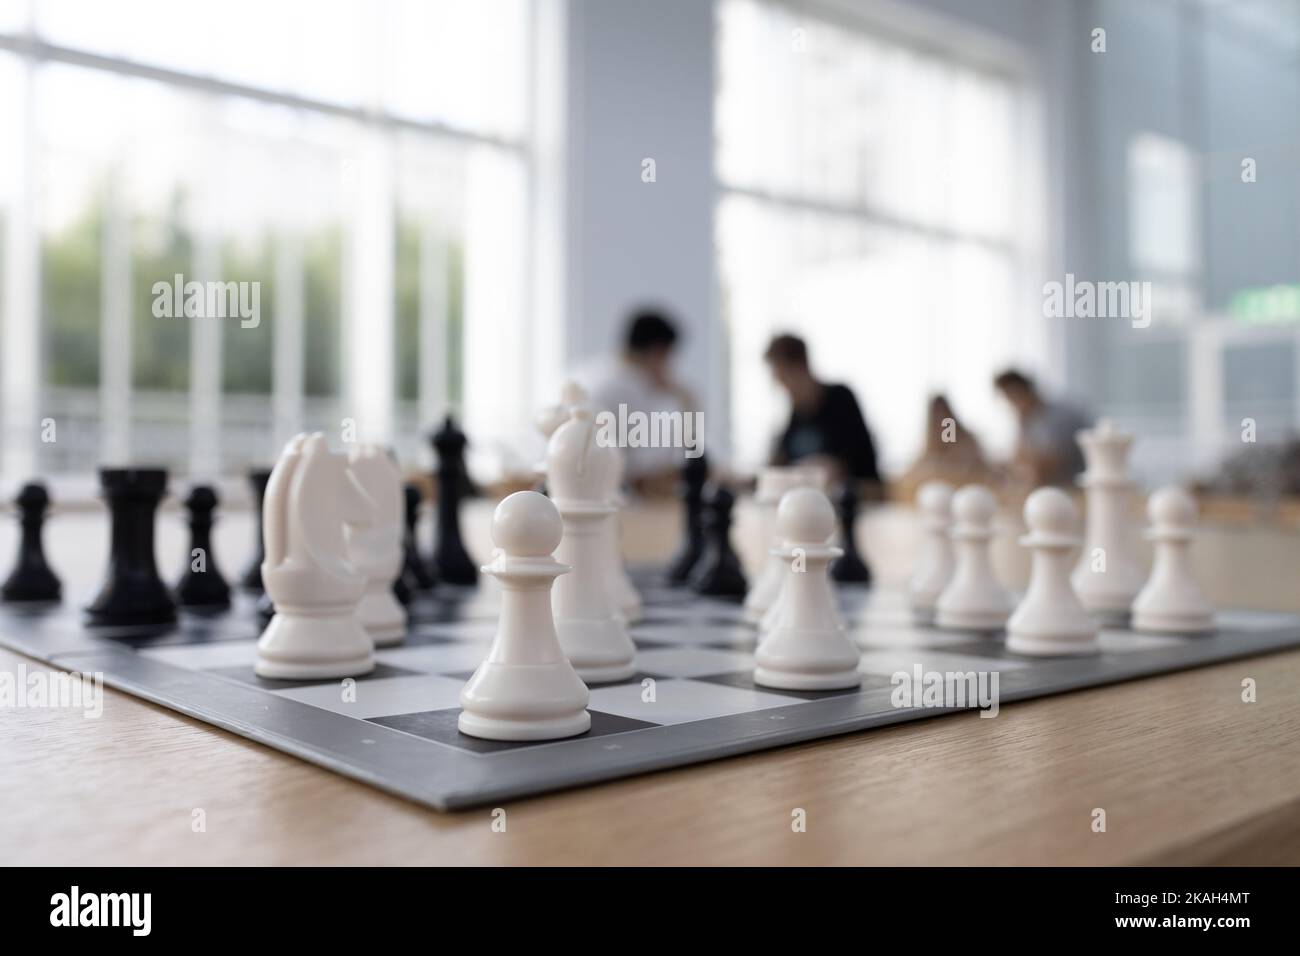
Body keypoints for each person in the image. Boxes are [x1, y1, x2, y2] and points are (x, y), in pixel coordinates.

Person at [583, 308, 697, 493]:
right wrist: (687, 401)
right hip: (597, 491)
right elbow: (644, 469)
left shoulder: (597, 372)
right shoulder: (628, 385)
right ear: (657, 352)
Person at [764, 333, 882, 489]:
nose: (781, 387)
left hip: (856, 500)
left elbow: (864, 464)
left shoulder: (841, 398)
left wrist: (833, 467)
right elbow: (779, 465)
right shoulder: (795, 415)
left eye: (782, 377)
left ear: (800, 367)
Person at [993, 369, 1091, 487]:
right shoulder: (1028, 420)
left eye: (1011, 396)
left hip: (1076, 488)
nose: (1010, 404)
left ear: (1023, 391)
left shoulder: (1060, 416)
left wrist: (1017, 464)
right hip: (1054, 489)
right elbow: (1019, 460)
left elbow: (1045, 467)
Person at [895, 394, 991, 501]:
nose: (940, 417)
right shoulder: (929, 447)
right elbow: (910, 477)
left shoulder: (965, 444)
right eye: (937, 413)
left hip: (972, 498)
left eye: (943, 412)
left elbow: (979, 471)